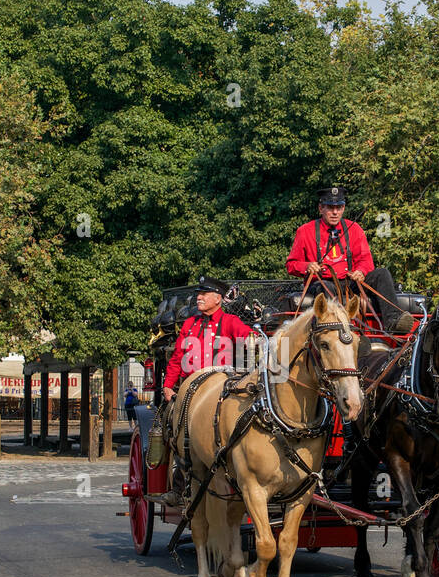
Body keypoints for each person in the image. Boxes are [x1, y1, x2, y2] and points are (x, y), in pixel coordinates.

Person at [160, 276, 256, 505]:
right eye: (199, 294)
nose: (198, 298)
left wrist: (256, 342)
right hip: (190, 389)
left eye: (204, 294)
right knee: (173, 425)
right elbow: (177, 358)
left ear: (218, 299)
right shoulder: (189, 324)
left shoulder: (231, 322)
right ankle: (180, 484)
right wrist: (167, 385)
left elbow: (249, 339)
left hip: (219, 388)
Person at [286, 186, 414, 334]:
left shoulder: (355, 229)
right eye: (330, 207)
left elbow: (365, 259)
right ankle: (336, 331)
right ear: (320, 208)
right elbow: (291, 264)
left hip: (349, 283)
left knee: (382, 273)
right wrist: (307, 266)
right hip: (323, 282)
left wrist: (361, 271)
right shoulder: (305, 231)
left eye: (339, 207)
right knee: (325, 289)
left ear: (343, 208)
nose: (335, 212)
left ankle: (393, 322)